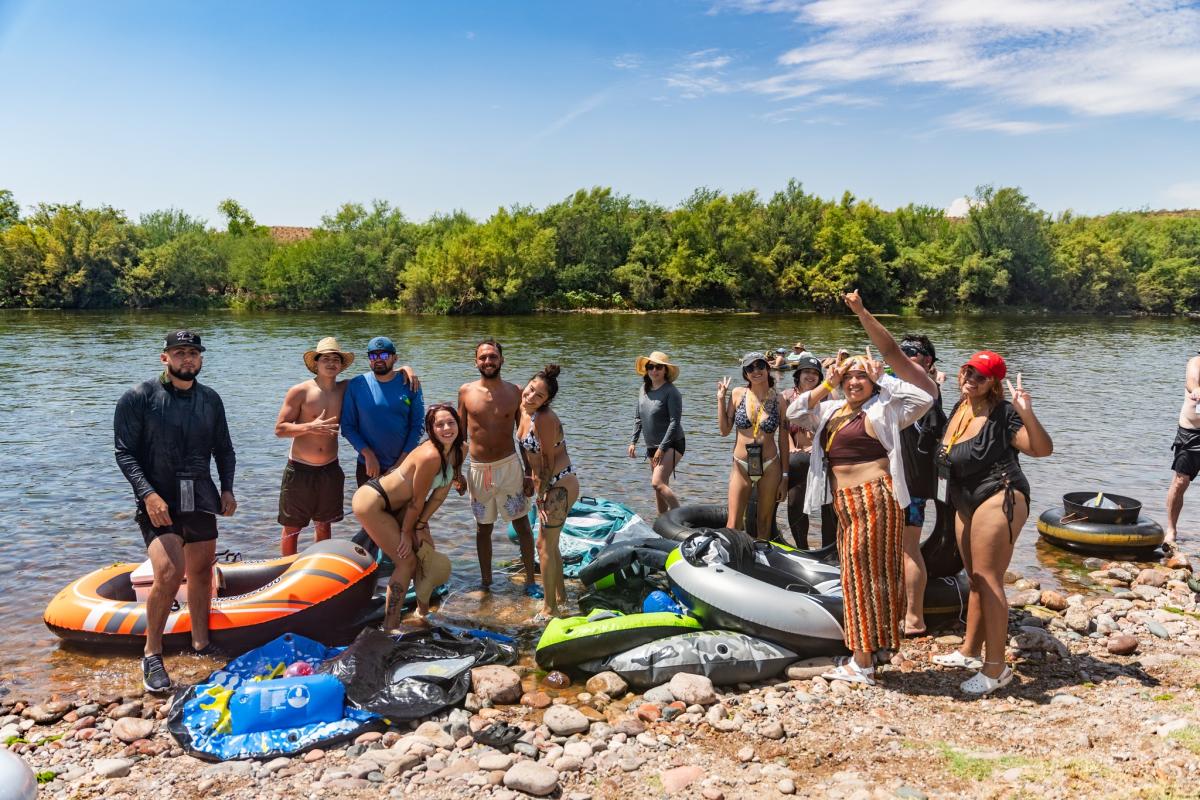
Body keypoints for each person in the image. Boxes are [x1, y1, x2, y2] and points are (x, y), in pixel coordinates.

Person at [786, 293, 936, 686]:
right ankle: (874, 650)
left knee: (863, 575)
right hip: (845, 502)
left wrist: (882, 375)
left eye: (862, 377)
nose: (854, 382)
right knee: (860, 573)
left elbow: (924, 396)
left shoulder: (885, 409)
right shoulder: (832, 410)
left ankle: (862, 660)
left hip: (875, 497)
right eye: (849, 376)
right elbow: (793, 413)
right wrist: (827, 384)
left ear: (872, 382)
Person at [113, 330, 237, 693]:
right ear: (164, 357)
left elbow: (224, 450)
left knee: (201, 571)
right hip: (159, 498)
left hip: (199, 494)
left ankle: (200, 642)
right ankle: (152, 653)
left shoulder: (210, 400)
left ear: (200, 359)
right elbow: (125, 453)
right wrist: (148, 495)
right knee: (168, 572)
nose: (187, 359)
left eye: (193, 353)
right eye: (180, 353)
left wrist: (227, 488)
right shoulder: (139, 398)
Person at [932, 351, 1052, 695]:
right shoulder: (959, 407)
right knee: (973, 578)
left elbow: (1041, 450)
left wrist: (1028, 413)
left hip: (1000, 494)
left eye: (981, 376)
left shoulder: (1005, 414)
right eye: (968, 371)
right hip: (964, 500)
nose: (971, 379)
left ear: (994, 383)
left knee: (989, 579)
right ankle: (970, 652)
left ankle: (996, 668)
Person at [352, 404, 465, 629]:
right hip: (374, 502)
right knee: (406, 561)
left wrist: (421, 525)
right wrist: (406, 533)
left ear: (458, 424)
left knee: (426, 553)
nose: (446, 428)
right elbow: (417, 501)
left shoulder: (461, 449)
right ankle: (390, 626)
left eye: (450, 422)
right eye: (439, 424)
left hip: (403, 505)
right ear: (431, 430)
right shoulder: (430, 456)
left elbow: (439, 495)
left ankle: (422, 612)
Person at [458, 339, 538, 595]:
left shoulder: (515, 391)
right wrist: (455, 472)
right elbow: (458, 438)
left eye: (493, 357)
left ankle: (530, 580)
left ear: (502, 360)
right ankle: (486, 582)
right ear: (475, 362)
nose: (488, 362)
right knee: (483, 528)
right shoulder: (466, 392)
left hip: (509, 466)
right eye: (483, 358)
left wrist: (529, 472)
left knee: (522, 524)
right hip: (478, 468)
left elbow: (523, 435)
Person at [273, 337, 353, 556]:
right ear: (316, 363)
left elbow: (378, 377)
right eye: (325, 359)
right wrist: (309, 427)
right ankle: (286, 571)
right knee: (292, 527)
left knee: (324, 523)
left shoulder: (346, 388)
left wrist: (406, 368)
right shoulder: (300, 391)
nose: (330, 363)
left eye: (335, 359)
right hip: (300, 469)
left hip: (329, 469)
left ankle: (319, 566)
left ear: (341, 365)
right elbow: (280, 429)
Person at [896, 334, 948, 636]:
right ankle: (904, 609)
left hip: (912, 484)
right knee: (902, 547)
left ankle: (915, 617)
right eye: (901, 352)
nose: (903, 356)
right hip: (904, 479)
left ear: (927, 360)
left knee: (908, 548)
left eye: (911, 353)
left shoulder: (925, 390)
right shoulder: (911, 386)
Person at [518, 364, 580, 620]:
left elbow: (547, 460)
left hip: (559, 483)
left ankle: (549, 610)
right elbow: (526, 450)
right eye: (530, 389)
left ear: (547, 401)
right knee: (551, 546)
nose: (531, 397)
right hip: (545, 484)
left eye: (539, 396)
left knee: (543, 545)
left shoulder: (544, 418)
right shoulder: (522, 409)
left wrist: (542, 493)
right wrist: (526, 476)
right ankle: (561, 599)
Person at [718, 352, 788, 537]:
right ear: (745, 373)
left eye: (760, 366)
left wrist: (785, 476)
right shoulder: (737, 394)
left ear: (768, 368)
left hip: (770, 464)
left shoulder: (779, 400)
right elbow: (724, 431)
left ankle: (762, 561)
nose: (756, 371)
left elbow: (783, 440)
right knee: (733, 523)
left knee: (763, 523)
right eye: (750, 368)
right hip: (741, 465)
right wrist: (720, 399)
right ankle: (733, 559)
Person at [341, 336, 423, 487]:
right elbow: (347, 427)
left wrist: (400, 463)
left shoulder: (410, 384)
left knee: (405, 511)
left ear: (395, 358)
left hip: (405, 464)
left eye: (384, 355)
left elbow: (418, 426)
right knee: (366, 510)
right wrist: (368, 454)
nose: (378, 359)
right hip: (368, 466)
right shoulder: (356, 385)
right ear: (369, 359)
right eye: (373, 355)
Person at [779, 354, 836, 548]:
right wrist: (793, 448)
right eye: (806, 372)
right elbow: (783, 429)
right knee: (795, 502)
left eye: (815, 373)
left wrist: (818, 446)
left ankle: (828, 549)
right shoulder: (787, 396)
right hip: (797, 455)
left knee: (828, 503)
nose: (810, 376)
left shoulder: (830, 396)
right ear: (798, 375)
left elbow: (833, 429)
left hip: (821, 456)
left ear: (820, 378)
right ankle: (802, 546)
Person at [628, 351, 685, 513]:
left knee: (657, 483)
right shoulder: (643, 389)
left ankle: (681, 519)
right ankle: (661, 524)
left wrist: (661, 448)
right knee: (659, 489)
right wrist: (633, 441)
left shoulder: (671, 392)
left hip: (672, 443)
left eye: (658, 367)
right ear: (646, 369)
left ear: (665, 370)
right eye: (650, 367)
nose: (654, 370)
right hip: (652, 445)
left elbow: (675, 422)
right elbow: (638, 418)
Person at [1167, 351, 1200, 555]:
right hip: (1190, 433)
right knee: (1180, 482)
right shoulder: (1196, 362)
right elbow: (1192, 380)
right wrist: (1196, 389)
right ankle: (1171, 530)